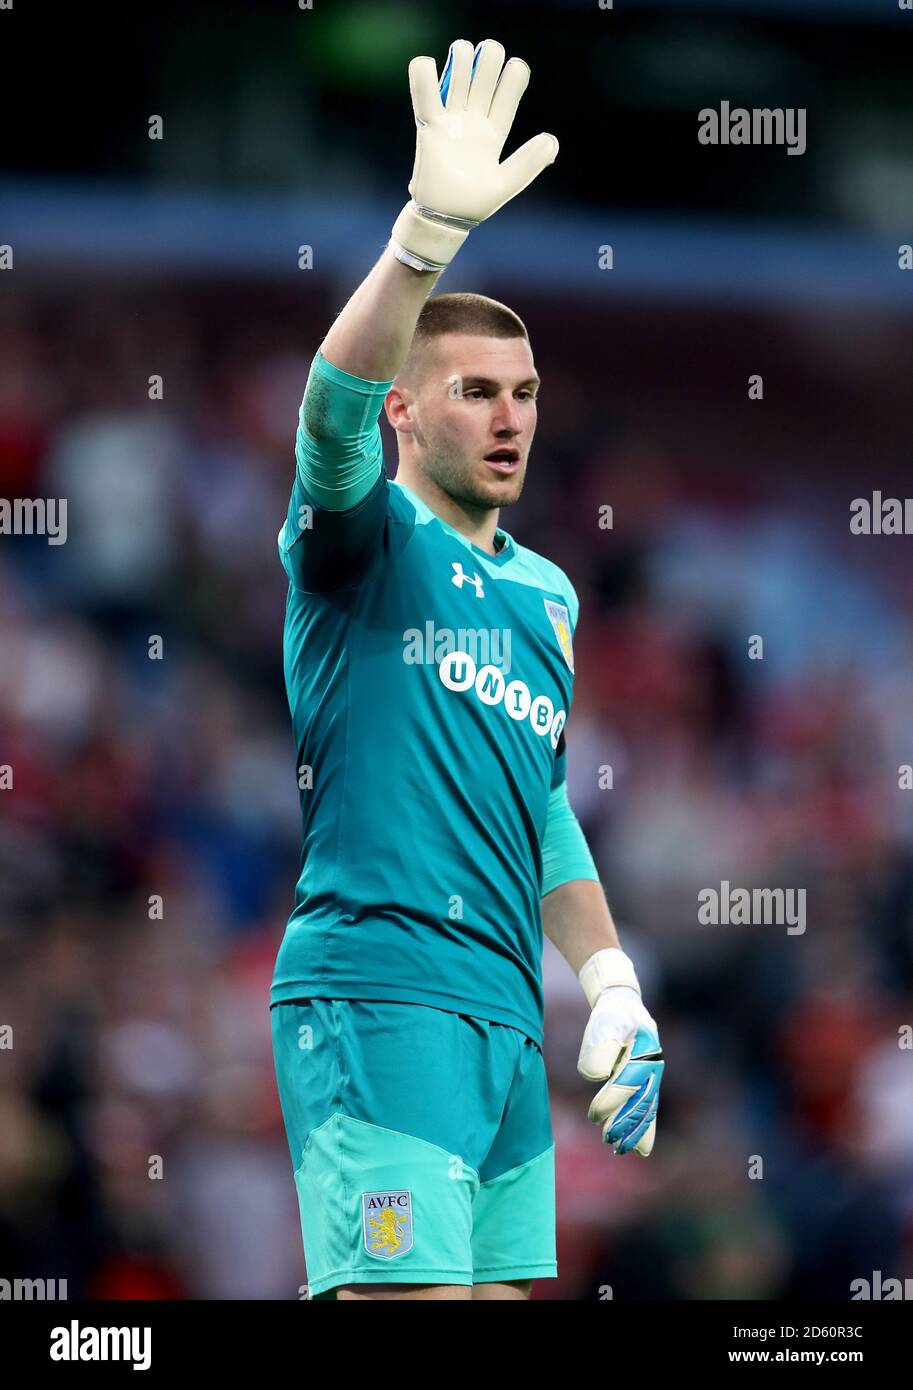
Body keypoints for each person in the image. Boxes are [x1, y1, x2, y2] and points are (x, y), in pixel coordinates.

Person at [270, 37, 664, 1302]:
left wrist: (608, 981)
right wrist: (423, 240)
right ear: (409, 408)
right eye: (476, 391)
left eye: (527, 393)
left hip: (502, 1019)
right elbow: (328, 411)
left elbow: (536, 806)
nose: (509, 418)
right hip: (379, 991)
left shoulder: (547, 596)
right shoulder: (364, 539)